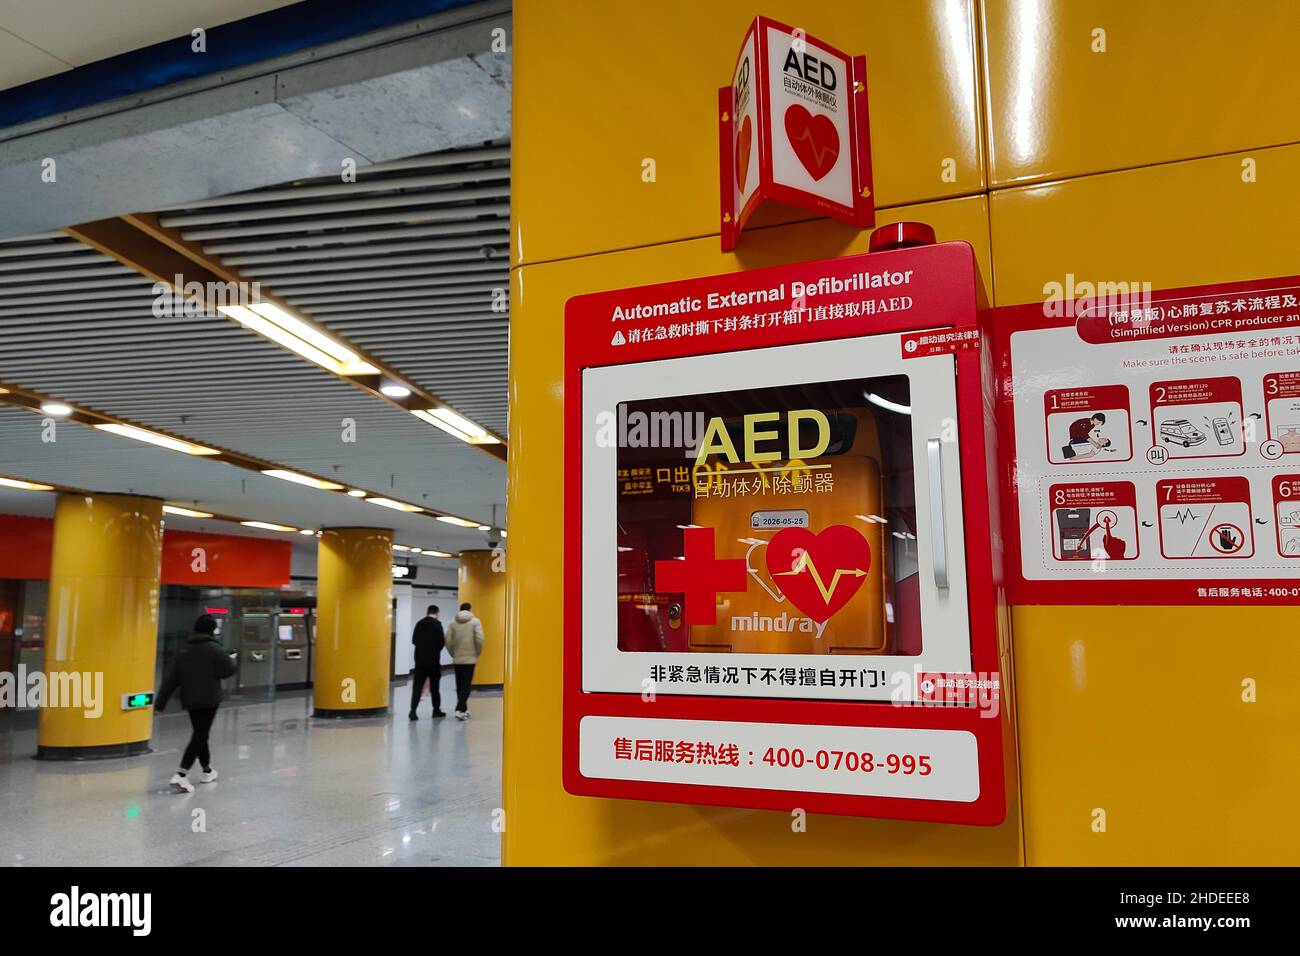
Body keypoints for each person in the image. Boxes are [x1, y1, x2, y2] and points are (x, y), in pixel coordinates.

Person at [156, 614, 237, 793]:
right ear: (211, 630)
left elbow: (171, 680)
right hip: (209, 699)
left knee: (200, 733)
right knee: (200, 735)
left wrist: (159, 704)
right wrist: (231, 658)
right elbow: (229, 670)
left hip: (190, 699)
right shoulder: (214, 648)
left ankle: (207, 770)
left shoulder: (184, 650)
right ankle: (181, 775)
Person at [444, 602, 484, 720]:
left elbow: (448, 641)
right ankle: (459, 708)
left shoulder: (453, 623)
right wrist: (477, 652)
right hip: (470, 659)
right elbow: (479, 639)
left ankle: (463, 709)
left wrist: (453, 653)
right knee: (466, 685)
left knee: (459, 685)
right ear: (470, 610)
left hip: (457, 659)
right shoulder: (475, 622)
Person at [408, 604, 446, 720]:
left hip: (419, 661)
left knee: (417, 687)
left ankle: (413, 711)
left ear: (427, 612)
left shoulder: (419, 623)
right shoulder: (438, 625)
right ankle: (436, 710)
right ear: (437, 613)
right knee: (435, 687)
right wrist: (433, 650)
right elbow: (441, 643)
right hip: (433, 661)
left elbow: (414, 640)